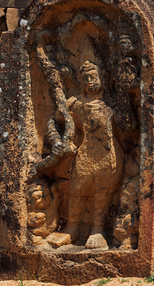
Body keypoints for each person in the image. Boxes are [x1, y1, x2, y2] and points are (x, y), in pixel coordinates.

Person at [45, 60, 124, 250]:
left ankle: (98, 230)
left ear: (103, 78)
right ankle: (72, 228)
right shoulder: (74, 103)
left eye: (93, 77)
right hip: (85, 152)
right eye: (85, 78)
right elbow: (53, 122)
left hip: (109, 154)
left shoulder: (111, 102)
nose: (89, 81)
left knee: (102, 192)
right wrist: (57, 141)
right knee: (77, 189)